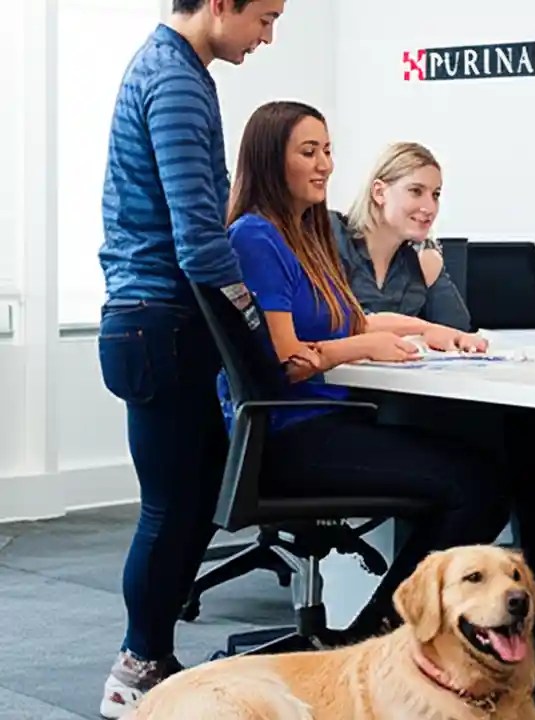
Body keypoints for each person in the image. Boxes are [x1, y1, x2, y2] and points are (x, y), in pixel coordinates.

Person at [220, 100, 510, 644]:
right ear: (270, 159)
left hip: (321, 422)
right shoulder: (256, 237)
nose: (325, 165)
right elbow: (289, 358)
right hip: (288, 435)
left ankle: (380, 631)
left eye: (328, 151)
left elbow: (352, 320)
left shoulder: (300, 235)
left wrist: (429, 332)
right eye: (309, 152)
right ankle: (379, 637)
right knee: (477, 487)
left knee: (480, 470)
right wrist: (361, 347)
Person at [96, 0, 284, 714]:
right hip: (160, 324)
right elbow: (200, 243)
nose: (267, 37)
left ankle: (153, 659)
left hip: (166, 322)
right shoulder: (173, 80)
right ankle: (136, 665)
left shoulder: (182, 71)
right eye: (264, 17)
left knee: (195, 501)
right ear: (220, 3)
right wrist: (255, 334)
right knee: (172, 507)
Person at [333, 142, 472, 331]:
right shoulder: (331, 235)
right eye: (416, 191)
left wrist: (434, 275)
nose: (430, 207)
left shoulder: (417, 261)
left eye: (435, 195)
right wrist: (423, 330)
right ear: (379, 192)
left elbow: (458, 332)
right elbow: (339, 323)